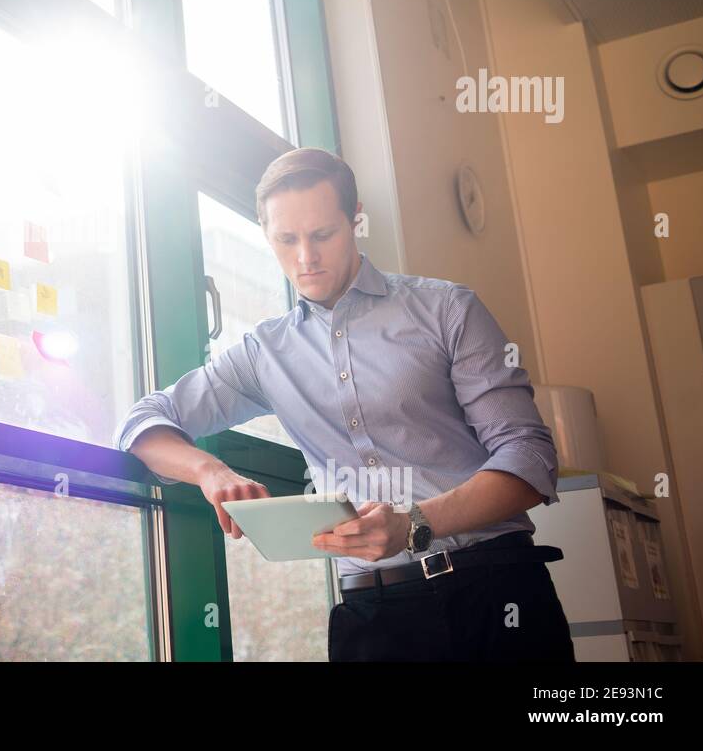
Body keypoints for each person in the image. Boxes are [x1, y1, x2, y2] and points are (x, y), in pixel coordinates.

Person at [113, 147, 574, 661]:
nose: (305, 257)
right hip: (371, 621)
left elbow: (530, 458)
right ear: (267, 234)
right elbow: (143, 422)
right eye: (286, 239)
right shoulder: (263, 354)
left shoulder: (447, 309)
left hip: (496, 593)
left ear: (354, 220)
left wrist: (413, 522)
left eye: (322, 235)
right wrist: (209, 471)